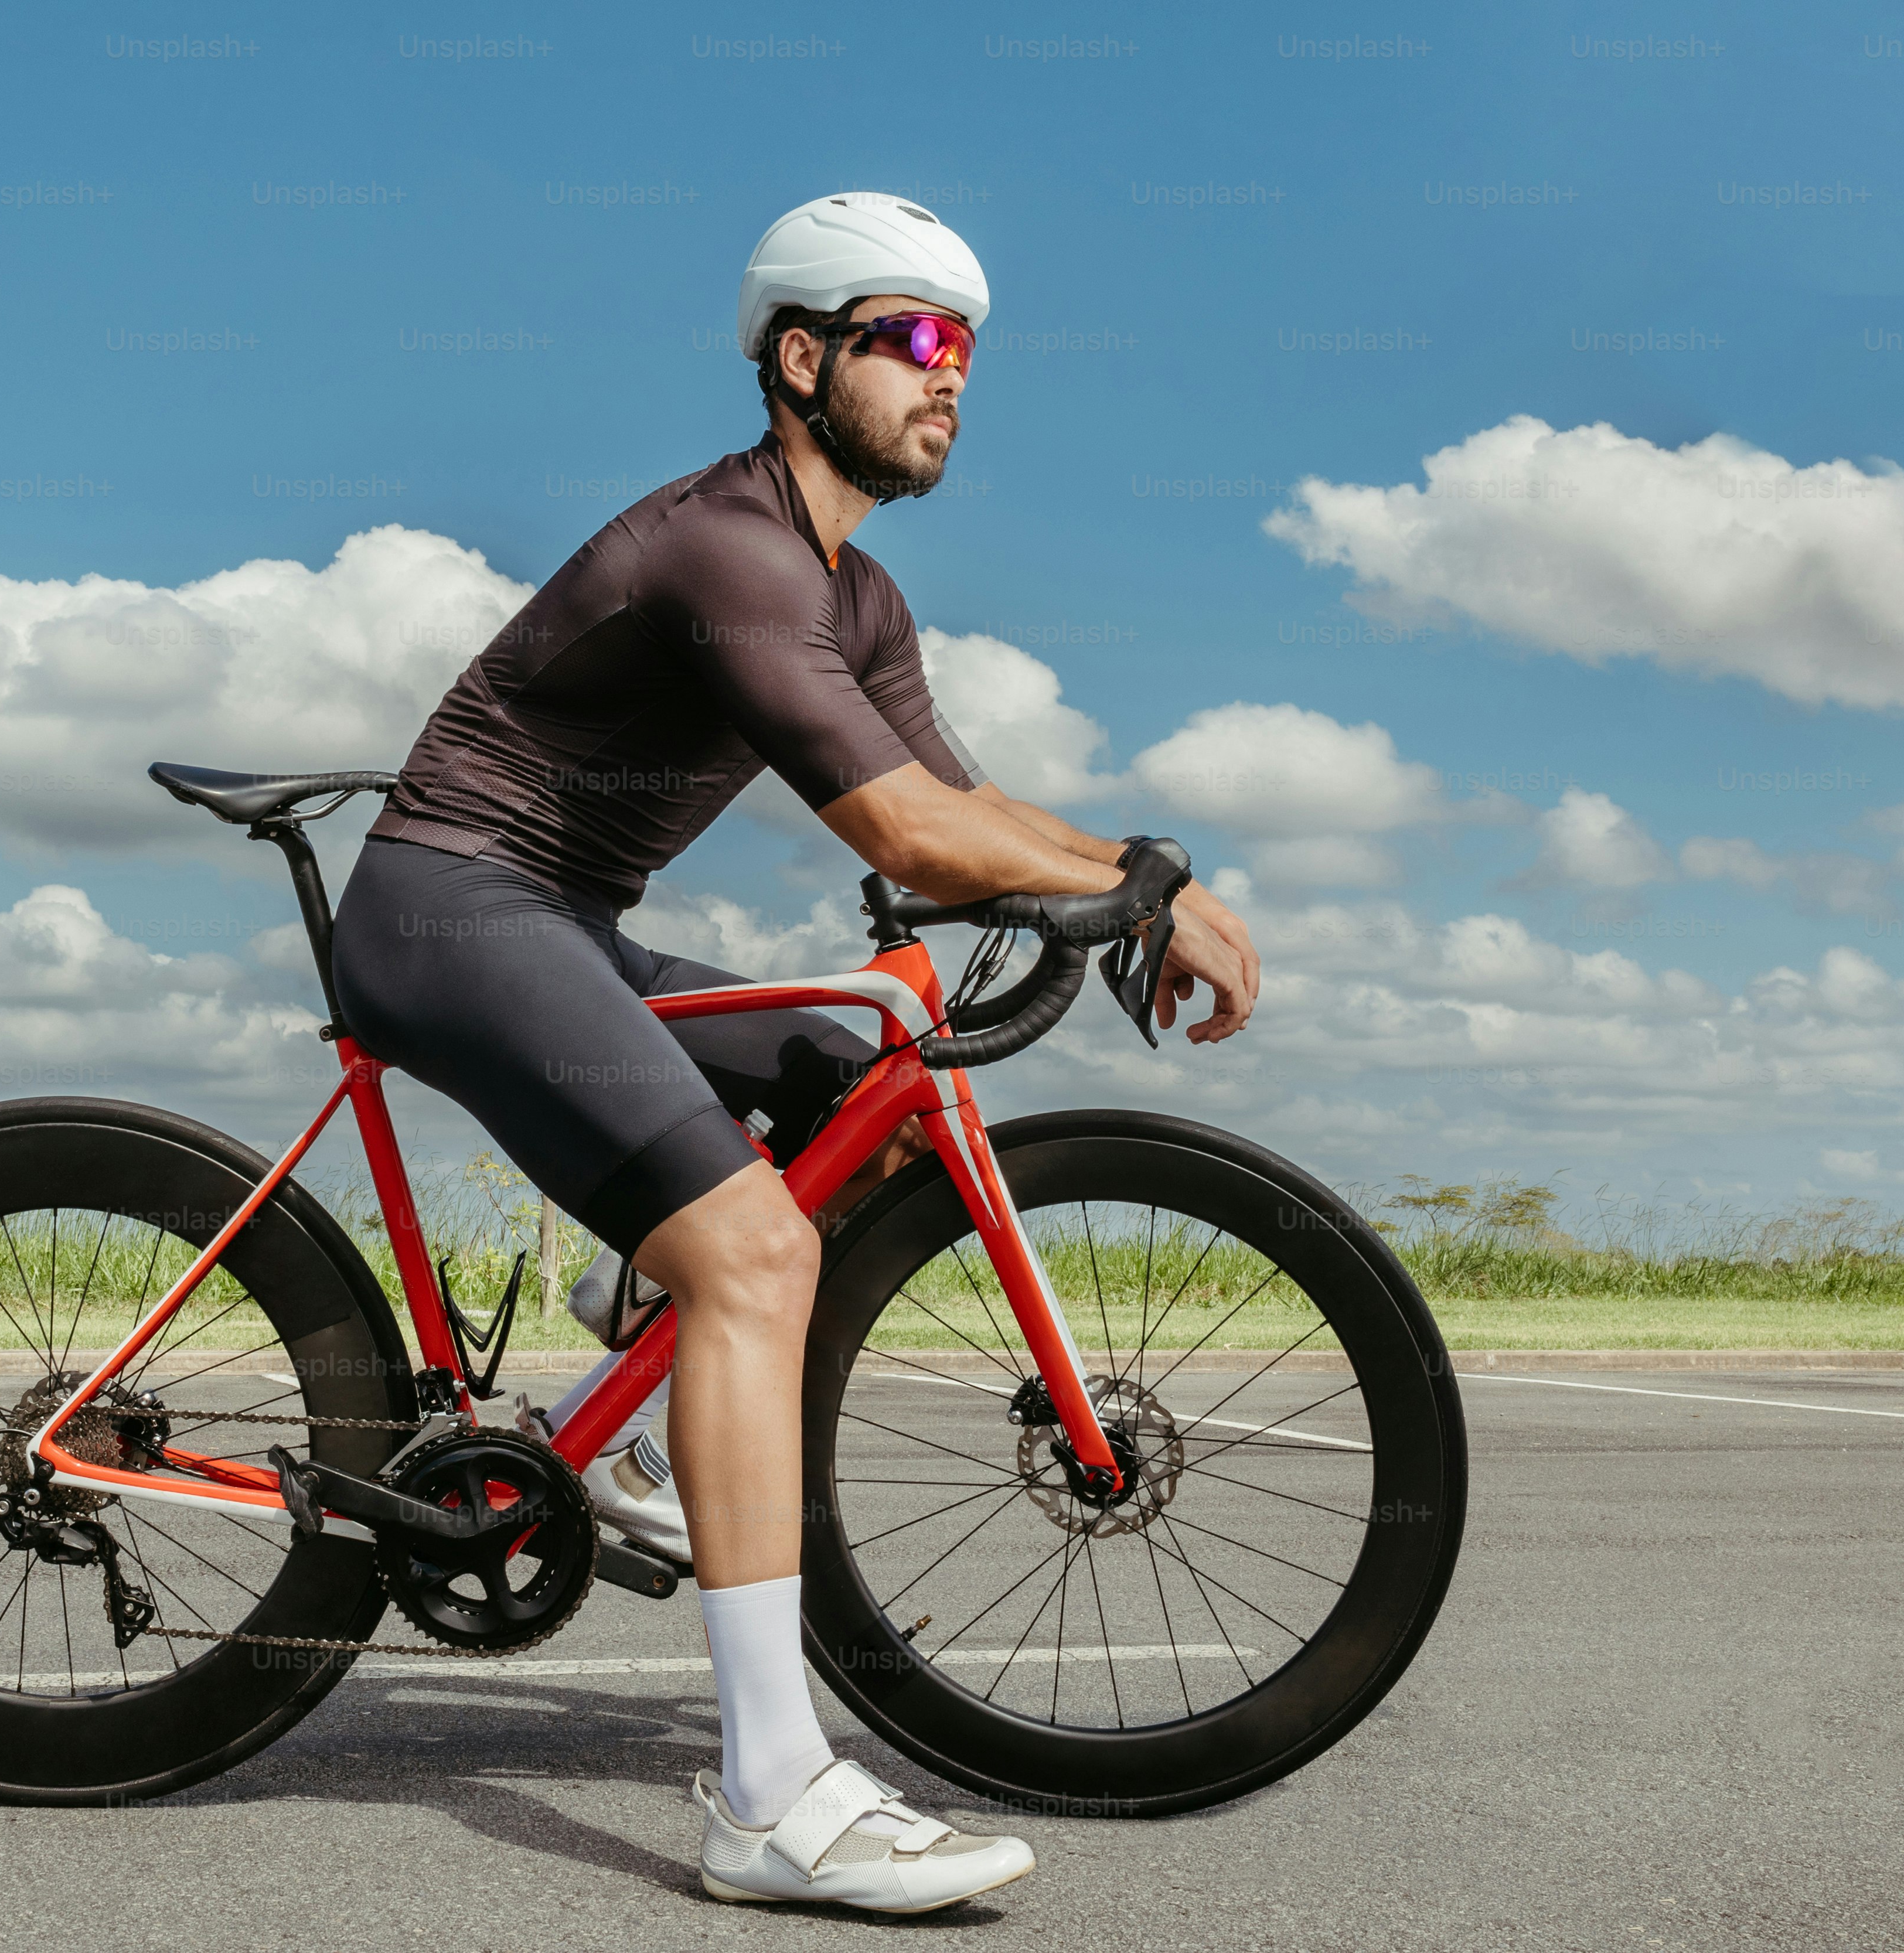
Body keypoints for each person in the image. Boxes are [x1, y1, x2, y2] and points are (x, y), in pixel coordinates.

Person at [330, 190, 1258, 1913]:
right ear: (800, 356)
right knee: (756, 1250)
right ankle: (770, 1796)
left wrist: (1145, 865)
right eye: (915, 339)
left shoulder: (863, 595)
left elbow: (973, 802)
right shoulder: (728, 548)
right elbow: (910, 837)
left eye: (968, 350)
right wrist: (1129, 888)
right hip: (453, 907)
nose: (951, 378)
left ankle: (618, 1403)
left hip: (560, 920)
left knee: (863, 1088)